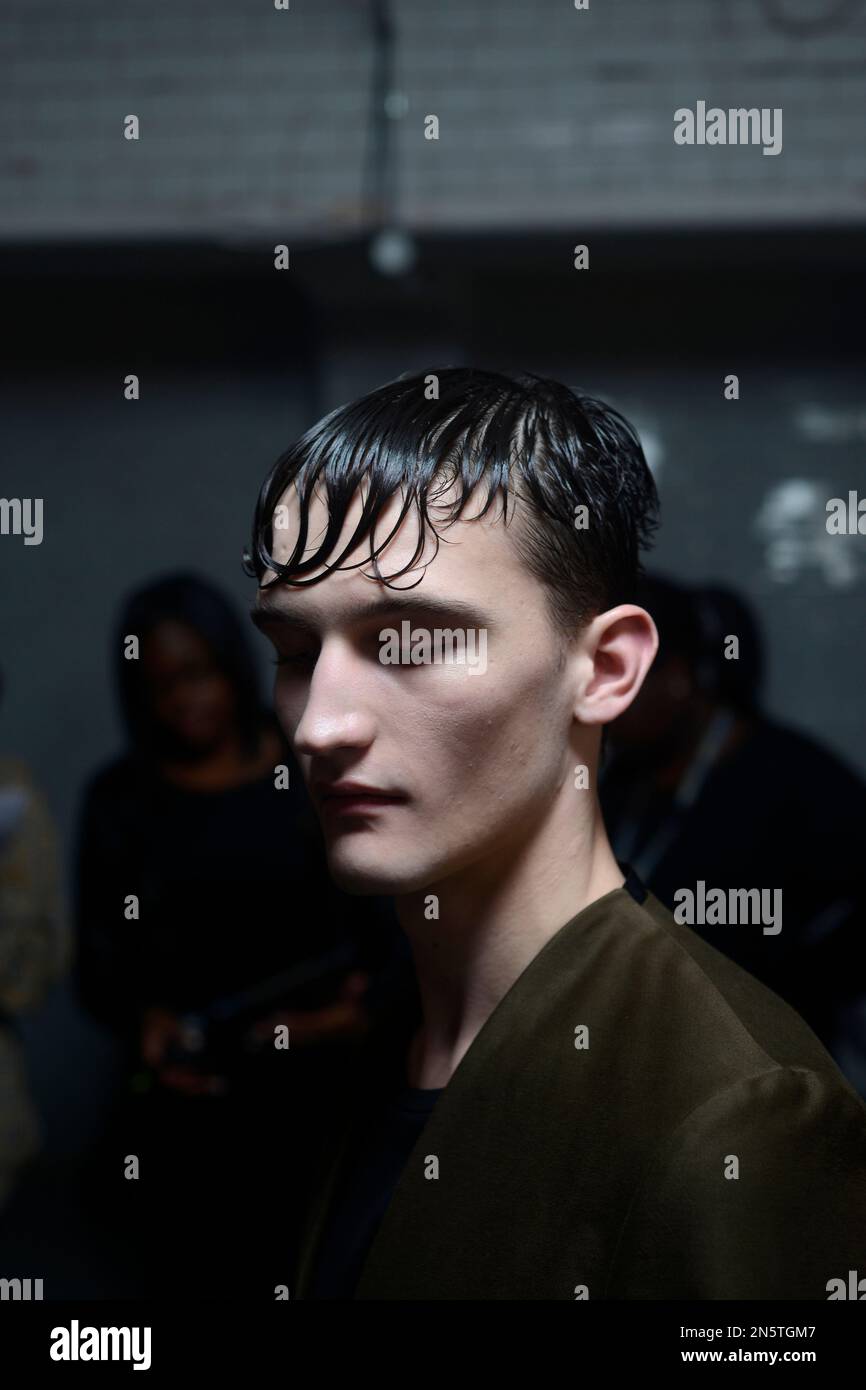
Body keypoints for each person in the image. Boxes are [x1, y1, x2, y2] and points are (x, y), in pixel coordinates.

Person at [244, 367, 866, 1300]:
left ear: (606, 670)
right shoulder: (380, 1045)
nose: (318, 725)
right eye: (296, 653)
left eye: (409, 641)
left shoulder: (739, 1116)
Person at [74, 573, 408, 1294]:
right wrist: (149, 1023)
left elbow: (391, 912)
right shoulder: (119, 801)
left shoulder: (309, 762)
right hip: (193, 1117)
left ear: (229, 661)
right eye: (161, 685)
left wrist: (356, 1015)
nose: (184, 700)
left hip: (326, 1095)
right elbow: (97, 961)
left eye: (196, 674)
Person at [600, 574, 866, 1097]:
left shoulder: (802, 790)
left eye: (620, 674)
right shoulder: (624, 781)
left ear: (675, 678)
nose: (604, 700)